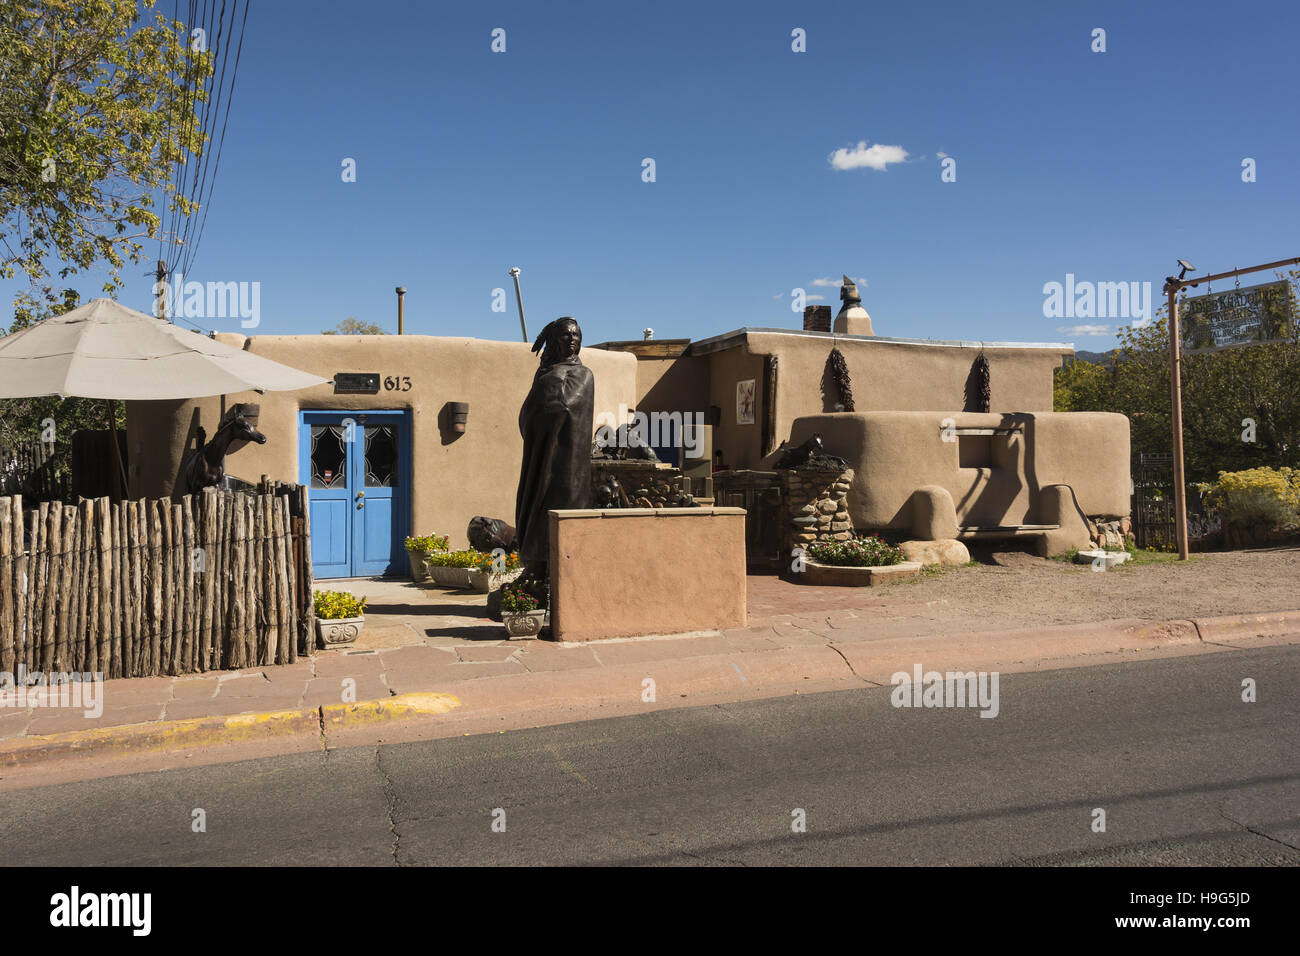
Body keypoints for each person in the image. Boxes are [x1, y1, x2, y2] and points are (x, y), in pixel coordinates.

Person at [514, 317, 594, 582]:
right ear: (553, 340)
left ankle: (559, 578)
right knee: (536, 508)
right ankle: (536, 572)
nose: (572, 339)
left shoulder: (583, 374)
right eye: (565, 335)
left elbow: (568, 406)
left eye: (576, 335)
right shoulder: (544, 373)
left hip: (568, 463)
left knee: (564, 517)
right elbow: (531, 411)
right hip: (541, 455)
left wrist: (545, 405)